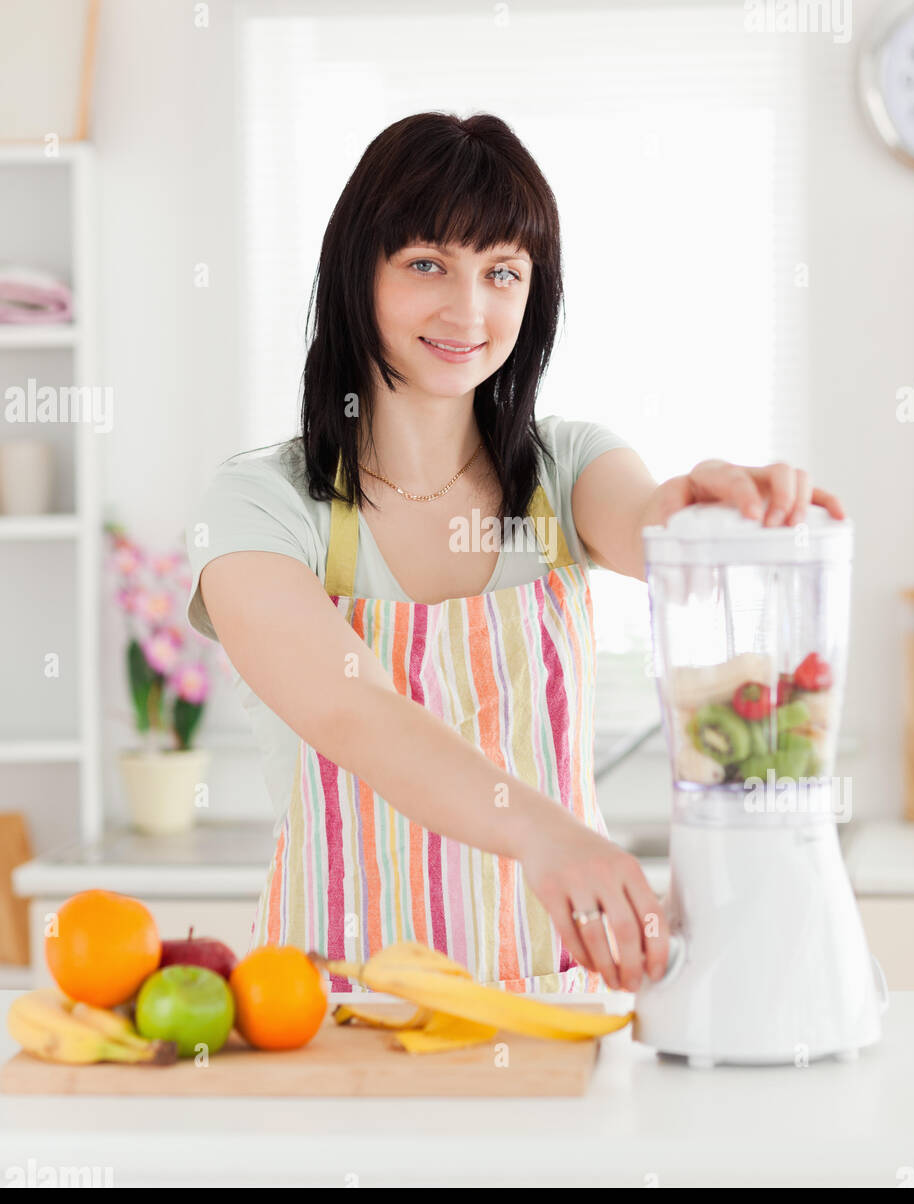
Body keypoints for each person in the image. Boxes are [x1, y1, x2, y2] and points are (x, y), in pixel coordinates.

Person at [186, 111, 845, 996]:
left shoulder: (566, 466)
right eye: (427, 264)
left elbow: (653, 524)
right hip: (335, 1005)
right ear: (358, 275)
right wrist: (544, 832)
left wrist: (707, 511)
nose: (468, 309)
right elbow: (352, 715)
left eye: (502, 272)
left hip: (558, 993)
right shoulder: (261, 503)